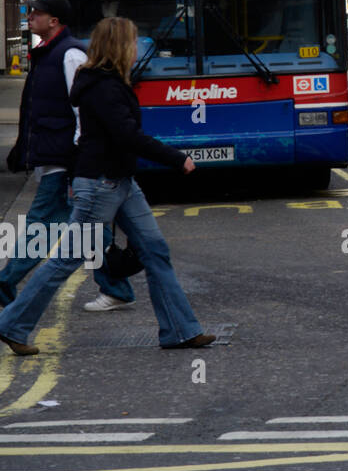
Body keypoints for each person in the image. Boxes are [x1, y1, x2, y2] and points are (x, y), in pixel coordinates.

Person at [0, 18, 213, 356]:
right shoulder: (103, 87)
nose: (136, 50)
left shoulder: (107, 82)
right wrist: (176, 158)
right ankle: (11, 325)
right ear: (118, 47)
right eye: (132, 43)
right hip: (101, 183)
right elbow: (126, 135)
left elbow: (90, 137)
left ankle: (180, 330)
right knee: (65, 261)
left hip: (119, 181)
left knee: (155, 250)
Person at [1, 0, 135, 312]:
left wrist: (78, 166)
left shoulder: (70, 55)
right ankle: (116, 287)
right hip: (55, 157)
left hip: (65, 161)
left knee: (41, 226)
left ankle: (4, 284)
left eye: (37, 13)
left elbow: (82, 114)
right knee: (90, 227)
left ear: (55, 21)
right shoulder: (46, 53)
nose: (30, 16)